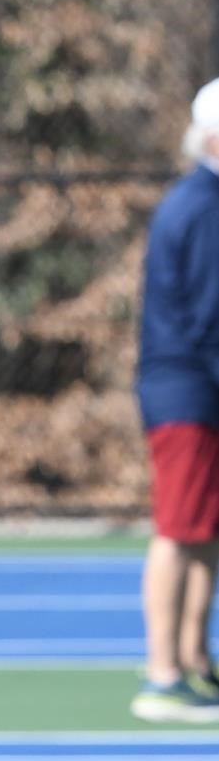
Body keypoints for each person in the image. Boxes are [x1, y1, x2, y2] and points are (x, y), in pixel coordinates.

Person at [133, 77, 219, 724]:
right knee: (178, 528)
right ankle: (161, 676)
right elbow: (207, 318)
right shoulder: (201, 205)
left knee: (202, 529)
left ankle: (192, 657)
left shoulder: (197, 199)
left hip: (192, 385)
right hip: (185, 389)